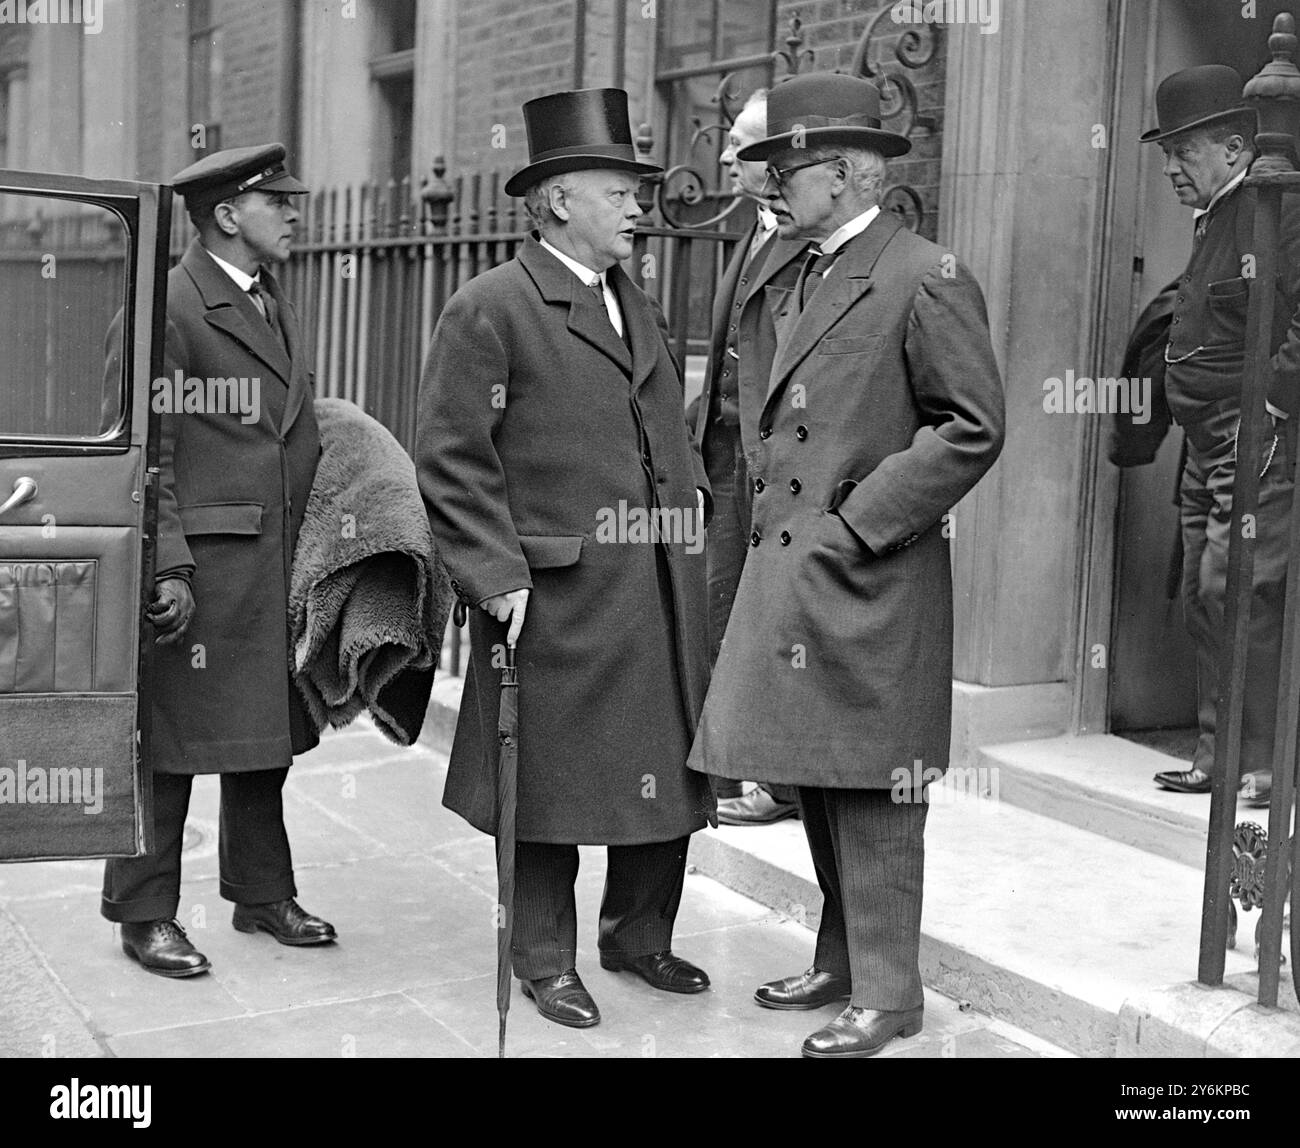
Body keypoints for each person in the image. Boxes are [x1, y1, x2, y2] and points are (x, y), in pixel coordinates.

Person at [688, 73, 1005, 1057]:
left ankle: (891, 993)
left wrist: (860, 523)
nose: (773, 184)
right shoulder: (802, 267)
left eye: (786, 167)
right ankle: (840, 962)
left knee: (875, 788)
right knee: (816, 775)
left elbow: (973, 426)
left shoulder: (923, 273)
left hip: (870, 576)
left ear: (840, 171)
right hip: (800, 577)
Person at [416, 88, 715, 1030]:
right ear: (555, 201)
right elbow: (451, 459)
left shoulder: (637, 301)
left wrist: (693, 486)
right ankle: (542, 958)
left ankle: (639, 936)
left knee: (664, 769)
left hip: (657, 583)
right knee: (543, 786)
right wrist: (494, 572)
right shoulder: (491, 309)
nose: (638, 206)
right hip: (553, 592)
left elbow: (666, 416)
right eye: (618, 189)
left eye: (636, 190)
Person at [101, 144, 336, 976]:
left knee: (263, 738)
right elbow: (144, 447)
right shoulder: (171, 302)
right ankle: (144, 913)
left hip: (269, 561)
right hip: (203, 570)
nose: (296, 212)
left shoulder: (265, 296)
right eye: (280, 201)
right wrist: (165, 563)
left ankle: (262, 893)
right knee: (168, 748)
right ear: (229, 216)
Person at [1141, 65, 1300, 809]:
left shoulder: (1278, 206)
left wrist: (1271, 400)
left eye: (1184, 151)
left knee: (1242, 588)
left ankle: (1266, 762)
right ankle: (1217, 753)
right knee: (1203, 594)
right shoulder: (1214, 217)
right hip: (1206, 440)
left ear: (1235, 147)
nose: (1171, 168)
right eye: (1167, 153)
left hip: (1252, 435)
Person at [697, 88, 806, 826]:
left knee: (774, 619)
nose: (728, 155)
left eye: (742, 143)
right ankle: (729, 768)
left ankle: (786, 783)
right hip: (727, 453)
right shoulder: (755, 233)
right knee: (722, 608)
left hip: (776, 462)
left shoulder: (811, 243)